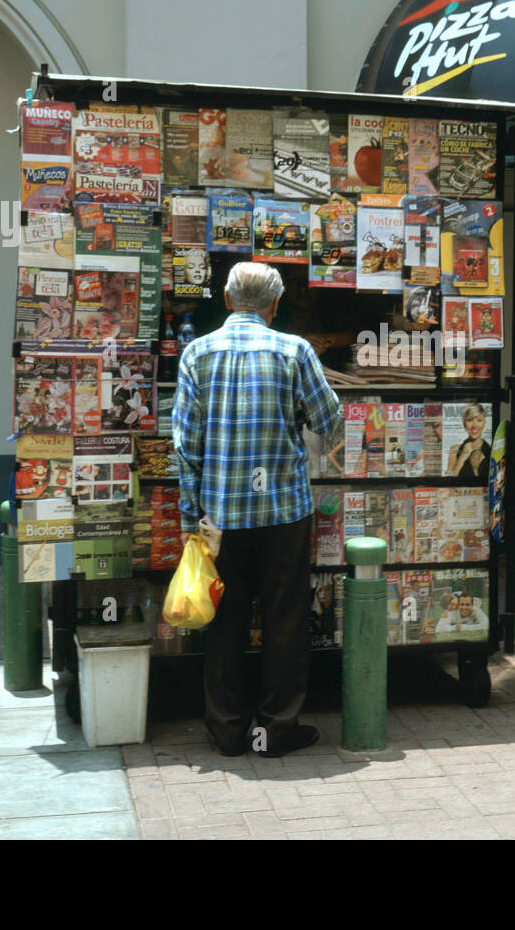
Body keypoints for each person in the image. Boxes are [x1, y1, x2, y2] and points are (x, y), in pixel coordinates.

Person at [173, 262, 341, 758]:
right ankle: (276, 730)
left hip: (220, 516)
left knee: (223, 621)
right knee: (284, 620)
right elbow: (328, 421)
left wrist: (191, 516)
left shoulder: (196, 354)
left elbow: (185, 444)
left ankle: (227, 733)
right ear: (274, 305)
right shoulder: (295, 350)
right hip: (283, 515)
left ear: (226, 300)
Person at [447, 403, 490, 481]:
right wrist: (462, 457)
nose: (474, 425)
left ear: (484, 423)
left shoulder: (491, 450)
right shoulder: (455, 449)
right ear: (464, 424)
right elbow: (448, 481)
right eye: (469, 420)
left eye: (479, 420)